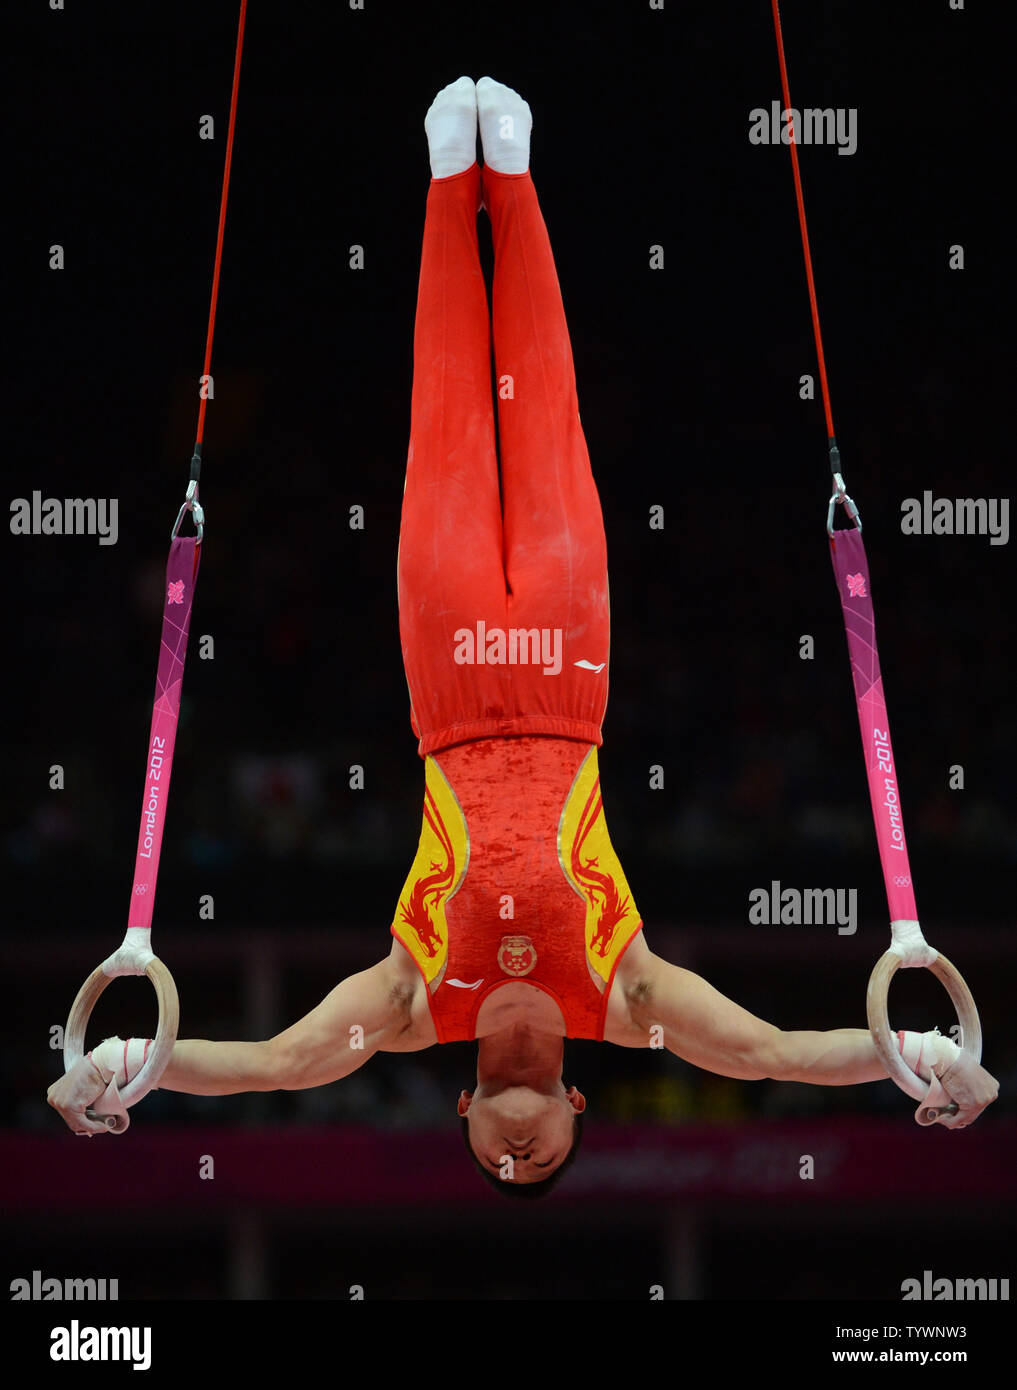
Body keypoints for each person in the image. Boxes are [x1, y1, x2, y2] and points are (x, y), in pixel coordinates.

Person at [48, 78, 998, 1193]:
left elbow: (264, 1064)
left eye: (493, 1163)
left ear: (456, 1108)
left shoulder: (407, 1010)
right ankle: (520, 177)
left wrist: (110, 1067)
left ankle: (455, 180)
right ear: (576, 1106)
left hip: (447, 688)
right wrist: (938, 1059)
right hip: (564, 677)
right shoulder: (629, 997)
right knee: (542, 408)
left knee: (448, 415)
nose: (513, 1153)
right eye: (538, 1160)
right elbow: (780, 1052)